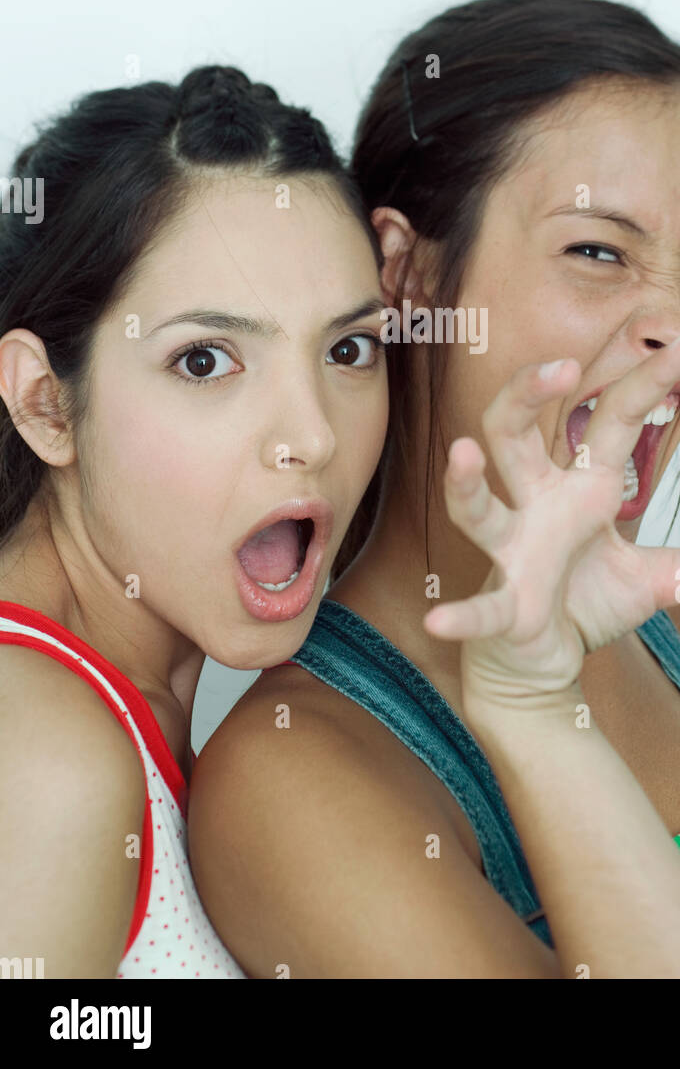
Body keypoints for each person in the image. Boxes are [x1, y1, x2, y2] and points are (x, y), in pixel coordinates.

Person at [188, 0, 680, 979]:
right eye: (597, 250)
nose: (679, 329)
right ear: (409, 275)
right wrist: (537, 721)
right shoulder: (299, 774)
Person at [0, 65, 389, 978]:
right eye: (206, 359)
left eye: (348, 348)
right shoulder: (45, 755)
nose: (312, 435)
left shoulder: (113, 723)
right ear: (46, 402)